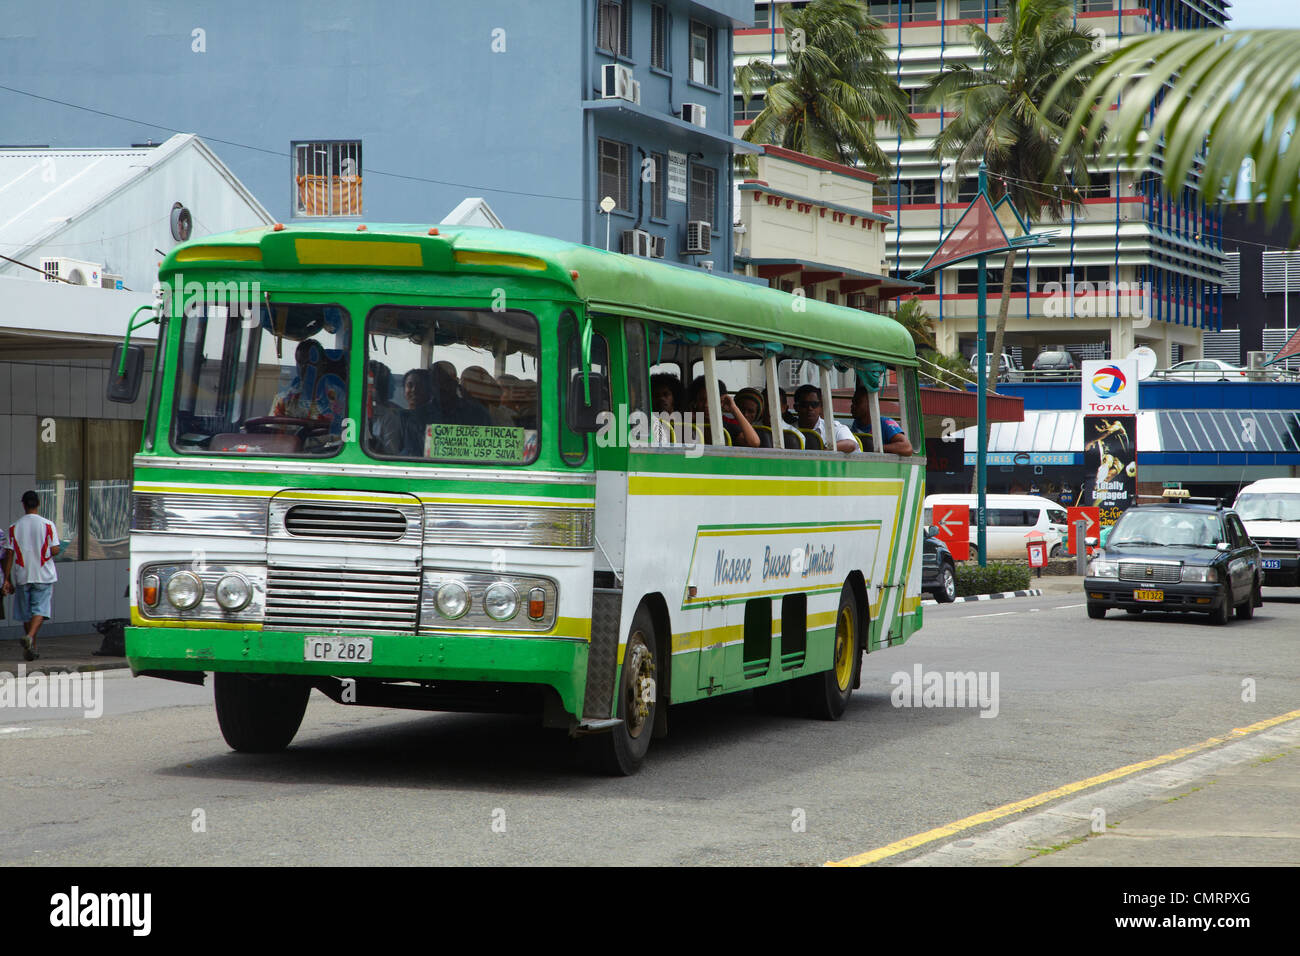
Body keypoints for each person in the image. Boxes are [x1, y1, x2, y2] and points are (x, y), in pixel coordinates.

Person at [7, 490, 60, 661]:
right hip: (43, 574)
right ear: (38, 503)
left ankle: (32, 648)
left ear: (23, 505)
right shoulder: (48, 525)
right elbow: (54, 549)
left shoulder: (14, 527)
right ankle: (30, 638)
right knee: (41, 610)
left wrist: (6, 579)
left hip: (22, 575)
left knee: (26, 614)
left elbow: (9, 554)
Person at [848, 385, 913, 456]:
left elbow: (907, 448)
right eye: (853, 402)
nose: (852, 406)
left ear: (870, 404)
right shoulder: (856, 424)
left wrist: (876, 448)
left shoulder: (885, 423)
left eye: (857, 402)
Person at [793, 384, 858, 452]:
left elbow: (851, 444)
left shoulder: (833, 427)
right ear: (796, 407)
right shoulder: (789, 430)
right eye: (805, 405)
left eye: (814, 404)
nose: (810, 408)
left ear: (820, 407)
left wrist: (825, 451)